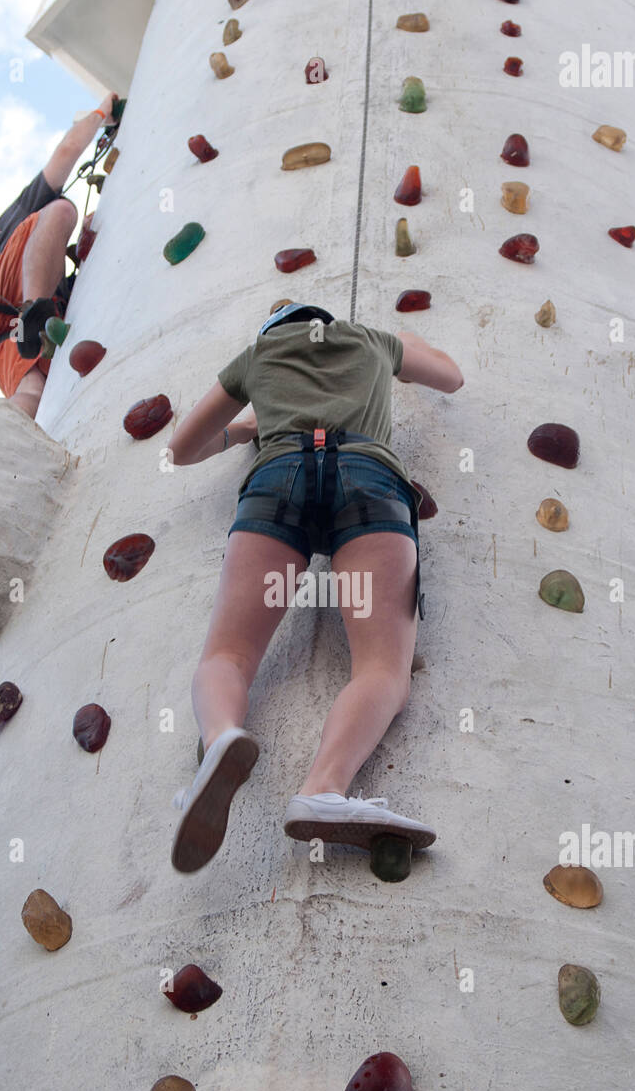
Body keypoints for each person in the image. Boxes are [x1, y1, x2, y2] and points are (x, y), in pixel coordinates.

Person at [167, 302, 464, 874]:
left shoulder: (259, 354)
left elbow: (181, 450)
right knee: (381, 668)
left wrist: (248, 427)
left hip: (278, 480)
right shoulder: (375, 342)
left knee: (229, 653)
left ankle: (223, 736)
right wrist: (407, 342)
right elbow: (452, 376)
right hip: (368, 479)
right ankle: (324, 788)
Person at [0, 93, 117, 420]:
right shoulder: (23, 219)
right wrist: (102, 112)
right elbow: (68, 150)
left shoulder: (51, 276)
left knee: (35, 392)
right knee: (61, 212)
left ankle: (6, 451)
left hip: (5, 335)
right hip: (8, 294)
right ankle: (35, 311)